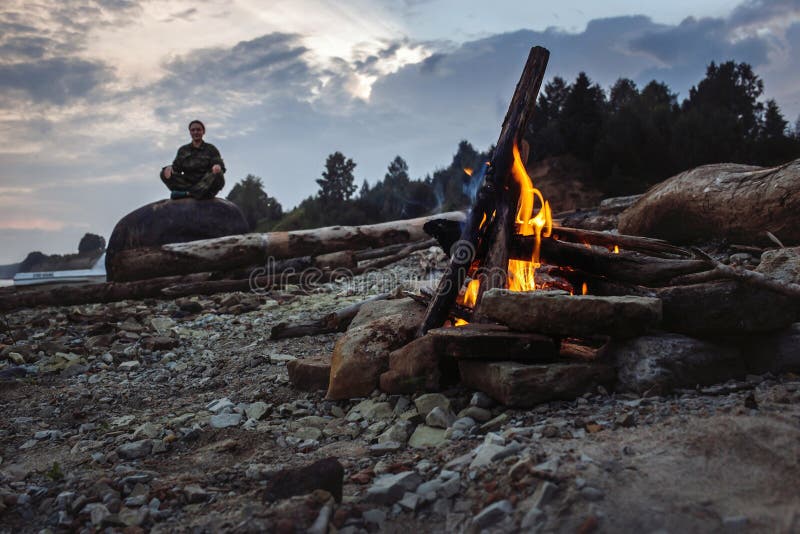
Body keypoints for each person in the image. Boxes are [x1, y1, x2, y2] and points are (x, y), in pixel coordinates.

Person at [160, 120, 226, 200]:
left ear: (203, 131)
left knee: (218, 174)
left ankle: (188, 194)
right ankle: (196, 193)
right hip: (188, 183)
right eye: (193, 130)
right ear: (190, 132)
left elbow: (219, 164)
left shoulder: (211, 149)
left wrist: (217, 166)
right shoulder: (183, 150)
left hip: (206, 183)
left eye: (198, 130)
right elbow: (176, 168)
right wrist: (169, 168)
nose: (196, 132)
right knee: (163, 173)